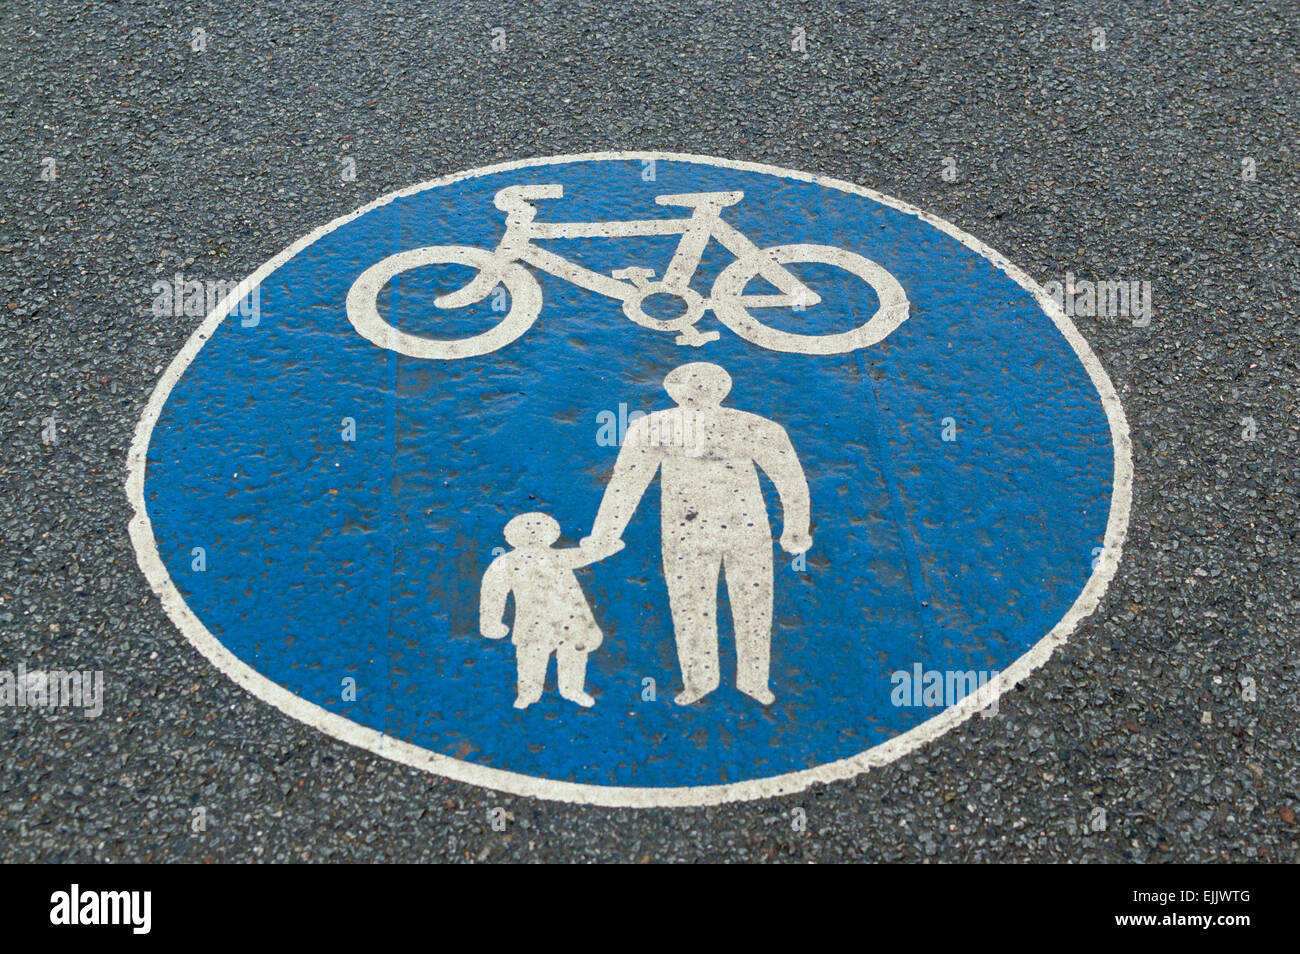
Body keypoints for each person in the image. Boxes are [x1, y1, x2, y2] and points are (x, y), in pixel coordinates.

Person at [583, 362, 811, 706]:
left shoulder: (658, 426)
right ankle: (715, 681)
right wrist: (794, 532)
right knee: (714, 604)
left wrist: (604, 536)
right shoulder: (745, 425)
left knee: (722, 604)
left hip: (715, 527)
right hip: (710, 527)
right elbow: (626, 485)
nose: (698, 390)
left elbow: (625, 487)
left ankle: (738, 681)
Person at [480, 512, 604, 709]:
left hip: (568, 617)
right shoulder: (507, 562)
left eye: (539, 528)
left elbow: (584, 555)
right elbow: (493, 591)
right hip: (533, 620)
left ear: (551, 534)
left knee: (573, 654)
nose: (532, 533)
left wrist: (602, 545)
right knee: (530, 656)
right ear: (512, 535)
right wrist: (491, 621)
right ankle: (528, 694)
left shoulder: (558, 556)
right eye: (526, 529)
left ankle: (573, 689)